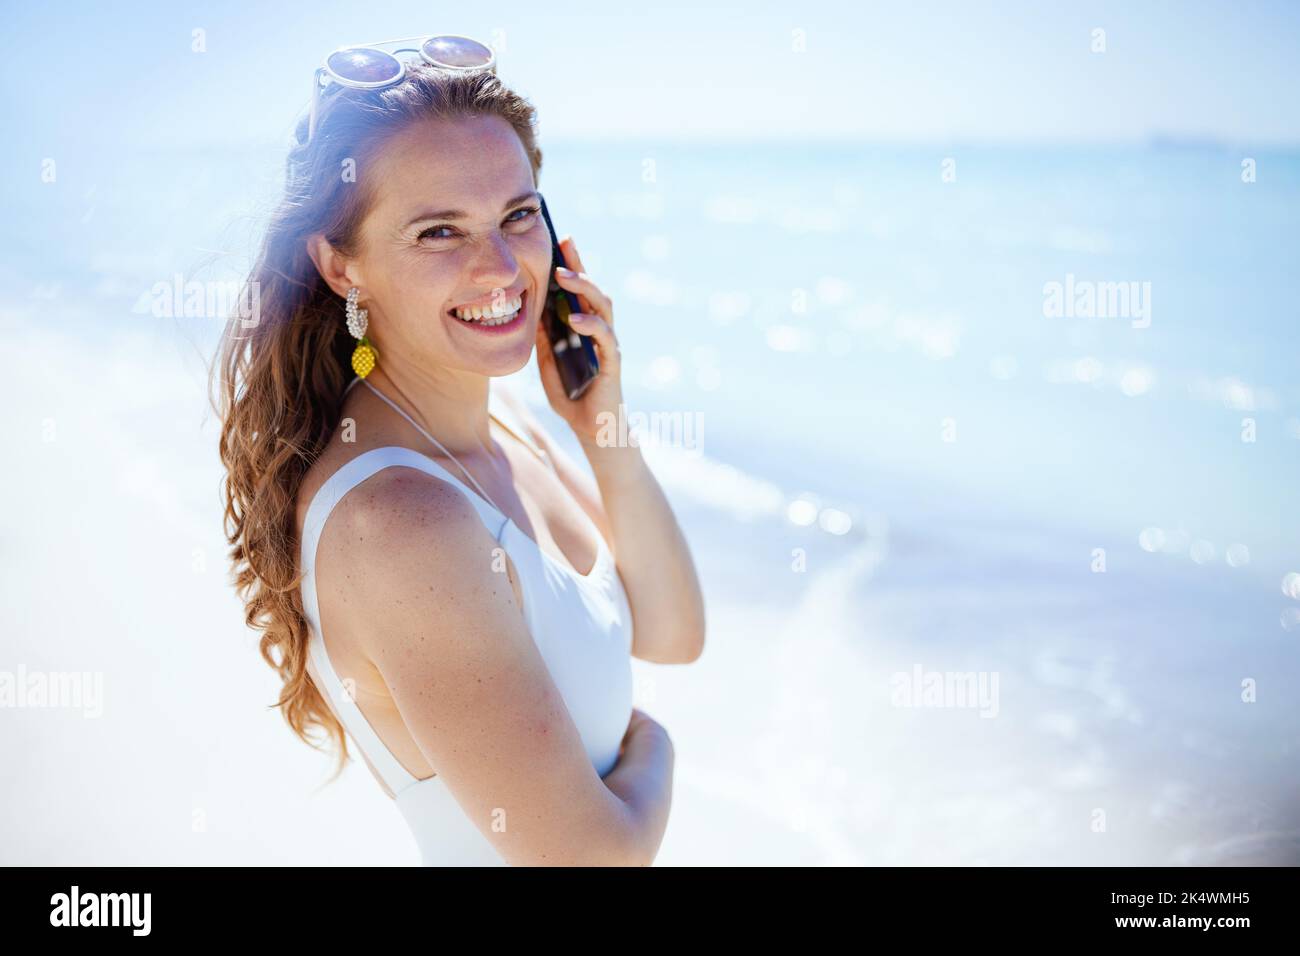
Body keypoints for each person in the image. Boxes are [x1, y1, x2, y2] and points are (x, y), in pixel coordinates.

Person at [210, 36, 704, 865]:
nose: (503, 267)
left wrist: (600, 428)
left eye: (518, 214)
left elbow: (669, 631)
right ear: (340, 265)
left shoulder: (502, 424)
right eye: (440, 232)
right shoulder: (399, 523)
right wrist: (654, 745)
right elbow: (593, 856)